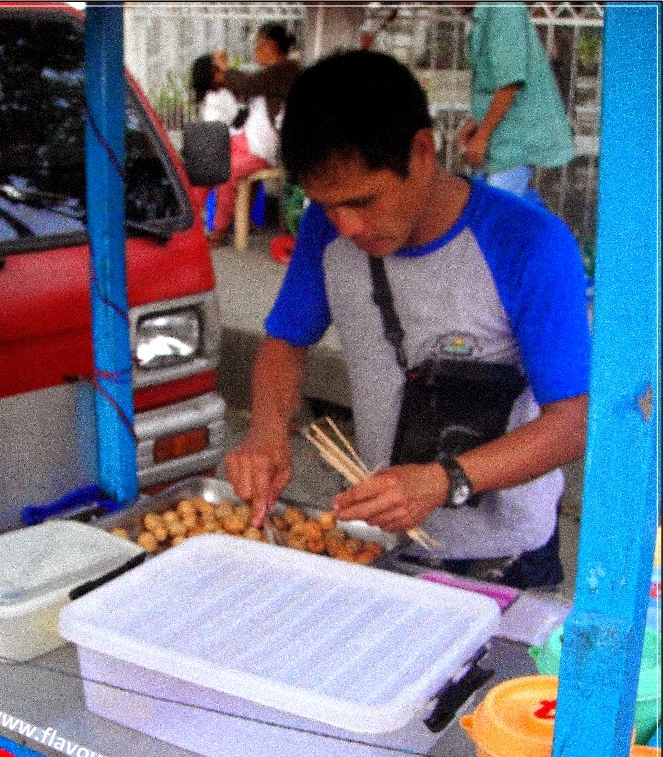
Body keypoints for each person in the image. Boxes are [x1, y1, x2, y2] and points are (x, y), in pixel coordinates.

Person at [224, 51, 590, 590]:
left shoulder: (527, 244)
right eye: (326, 207)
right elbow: (285, 339)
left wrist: (446, 481)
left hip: (504, 554)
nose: (346, 226)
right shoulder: (327, 234)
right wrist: (266, 433)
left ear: (422, 151)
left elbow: (574, 421)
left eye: (362, 201)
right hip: (388, 543)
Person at [455, 2, 574, 196]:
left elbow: (509, 83)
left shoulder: (503, 10)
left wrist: (482, 136)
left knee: (497, 214)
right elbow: (494, 80)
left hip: (517, 141)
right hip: (505, 140)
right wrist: (476, 122)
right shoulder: (486, 14)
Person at [206, 23, 301, 246]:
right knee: (209, 157)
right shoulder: (278, 72)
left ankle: (219, 230)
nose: (254, 50)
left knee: (225, 171)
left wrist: (225, 69)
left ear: (271, 45)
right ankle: (234, 220)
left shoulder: (286, 70)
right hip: (251, 140)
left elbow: (248, 84)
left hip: (265, 147)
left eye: (257, 44)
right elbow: (249, 88)